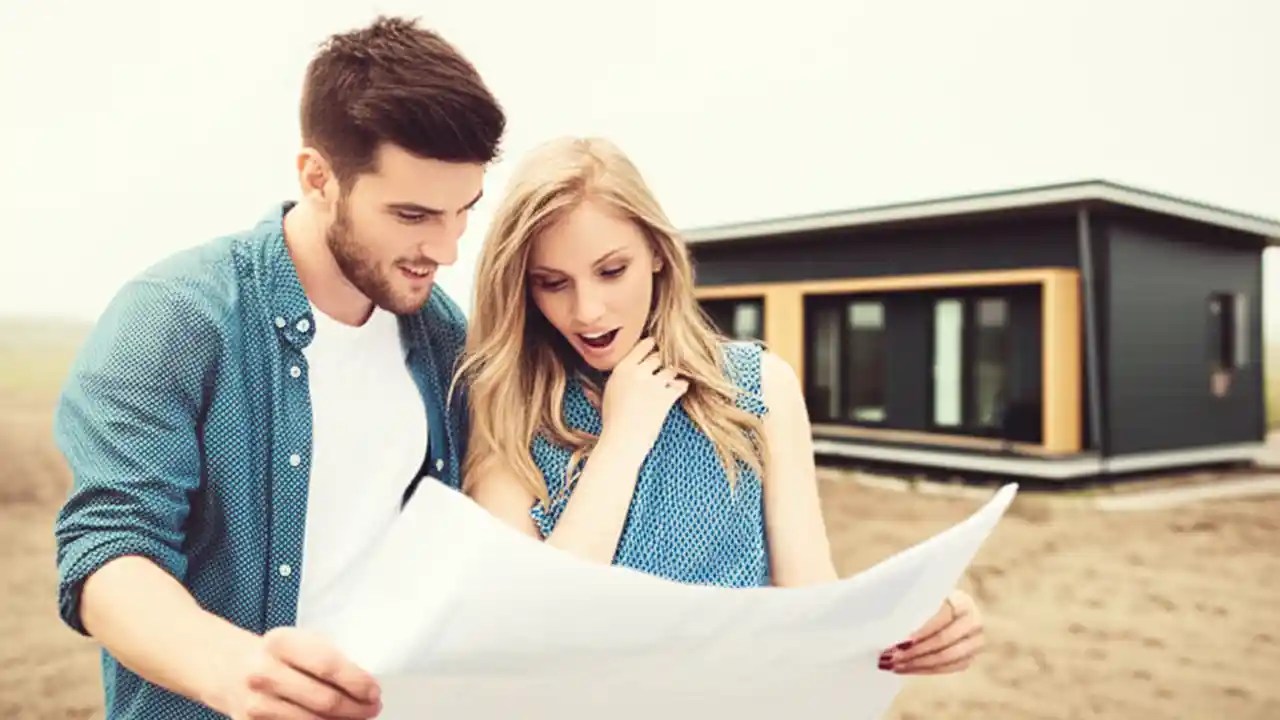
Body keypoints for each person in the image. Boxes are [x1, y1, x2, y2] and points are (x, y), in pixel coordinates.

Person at [50, 16, 505, 719]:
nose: (445, 250)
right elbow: (108, 551)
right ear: (317, 177)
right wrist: (231, 667)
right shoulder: (173, 318)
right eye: (412, 214)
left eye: (462, 212)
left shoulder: (446, 340)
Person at [456, 136, 985, 676]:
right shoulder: (506, 404)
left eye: (612, 271)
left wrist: (923, 623)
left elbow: (810, 599)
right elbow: (529, 619)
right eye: (552, 283)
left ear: (659, 254)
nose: (587, 311)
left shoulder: (759, 387)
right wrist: (622, 439)